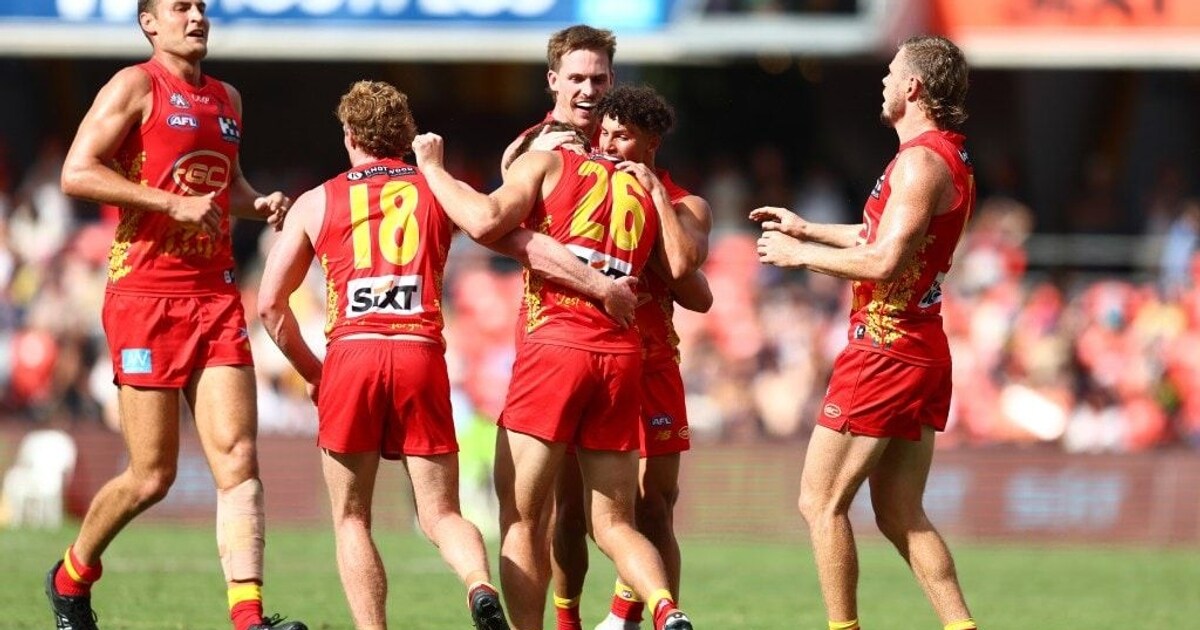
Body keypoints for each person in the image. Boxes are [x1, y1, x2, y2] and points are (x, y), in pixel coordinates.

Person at [256, 81, 637, 630]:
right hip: (419, 354)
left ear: (349, 136)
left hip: (352, 353)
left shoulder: (317, 200)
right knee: (441, 512)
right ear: (405, 135)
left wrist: (315, 374)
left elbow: (270, 305)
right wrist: (599, 284)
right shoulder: (439, 190)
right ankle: (479, 585)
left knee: (352, 517)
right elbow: (521, 242)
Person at [48, 2, 304, 629]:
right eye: (180, 7)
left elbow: (224, 185)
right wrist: (168, 203)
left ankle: (248, 618)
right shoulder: (134, 86)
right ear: (149, 23)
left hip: (214, 296)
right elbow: (76, 173)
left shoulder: (227, 98)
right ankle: (70, 576)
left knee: (238, 459)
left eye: (201, 6)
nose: (196, 17)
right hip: (144, 298)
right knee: (151, 475)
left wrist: (257, 203)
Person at [417, 125, 694, 630]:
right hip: (622, 355)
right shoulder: (638, 190)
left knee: (522, 517)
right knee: (615, 522)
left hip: (557, 347)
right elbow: (690, 279)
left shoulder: (548, 164)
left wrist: (433, 169)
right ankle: (666, 609)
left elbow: (484, 220)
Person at [752, 35, 979, 630]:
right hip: (919, 346)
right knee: (902, 515)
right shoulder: (942, 158)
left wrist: (799, 257)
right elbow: (879, 236)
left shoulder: (921, 162)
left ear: (913, 87)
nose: (883, 81)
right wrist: (807, 229)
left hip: (884, 346)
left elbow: (884, 261)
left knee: (820, 502)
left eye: (891, 72)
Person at [548, 86, 713, 630]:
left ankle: (630, 618)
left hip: (652, 365)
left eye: (623, 136)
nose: (608, 144)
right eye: (605, 133)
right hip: (587, 355)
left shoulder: (687, 204)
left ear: (652, 143)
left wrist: (655, 197)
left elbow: (687, 272)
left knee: (655, 505)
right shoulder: (583, 186)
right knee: (572, 510)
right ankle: (568, 620)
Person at [500, 24, 616, 173]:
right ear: (553, 81)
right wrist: (531, 161)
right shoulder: (523, 150)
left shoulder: (625, 143)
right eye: (576, 79)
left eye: (598, 80)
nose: (588, 91)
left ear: (611, 80)